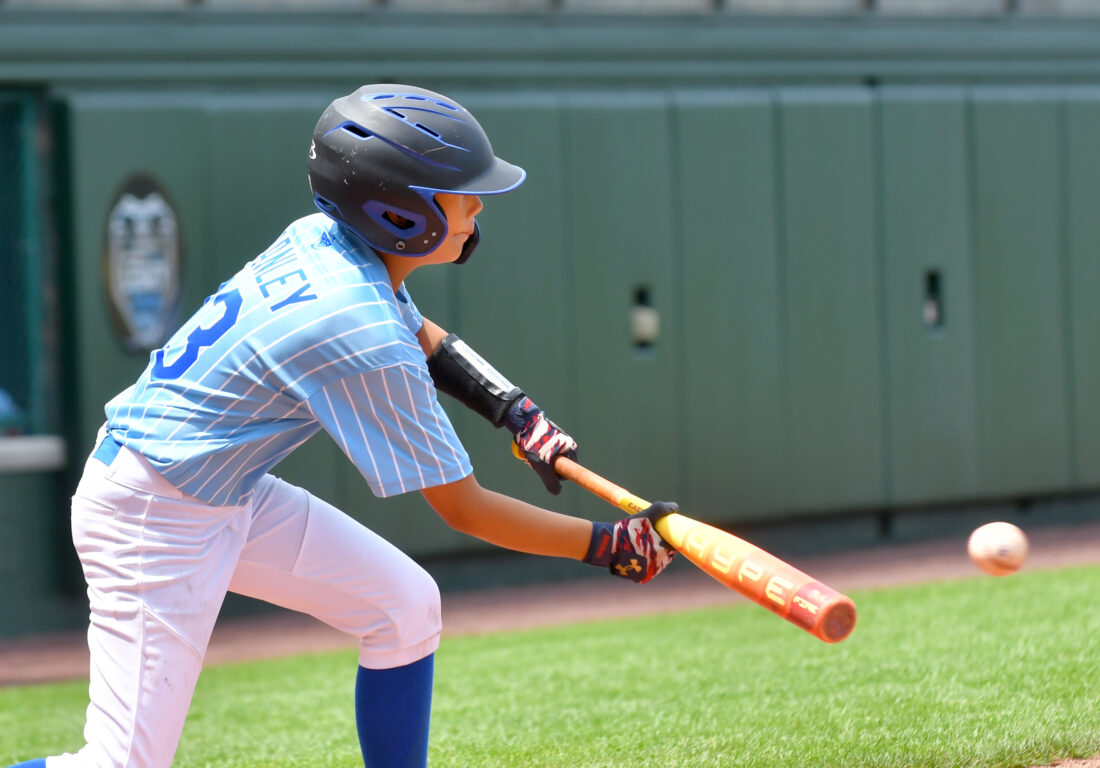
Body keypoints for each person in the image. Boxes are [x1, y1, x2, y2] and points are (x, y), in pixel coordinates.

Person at [6, 84, 676, 768]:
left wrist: (514, 411)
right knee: (119, 764)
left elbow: (418, 331)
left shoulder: (326, 239)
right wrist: (605, 545)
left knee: (404, 608)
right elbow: (465, 509)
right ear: (399, 212)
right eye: (459, 193)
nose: (477, 206)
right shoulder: (357, 330)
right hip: (153, 513)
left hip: (213, 486)